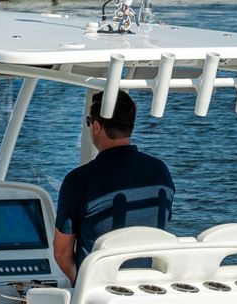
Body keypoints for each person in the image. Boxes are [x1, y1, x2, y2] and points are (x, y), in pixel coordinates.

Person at [53, 89, 175, 284]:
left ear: (97, 127)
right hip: (148, 288)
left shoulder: (78, 180)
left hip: (98, 293)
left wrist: (84, 285)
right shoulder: (160, 172)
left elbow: (61, 252)